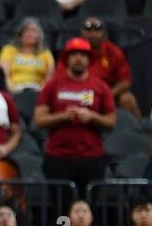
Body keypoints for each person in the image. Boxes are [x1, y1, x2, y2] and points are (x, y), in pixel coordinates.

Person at [34, 37, 116, 197]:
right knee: (61, 211)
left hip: (91, 158)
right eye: (74, 54)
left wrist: (93, 117)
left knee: (88, 209)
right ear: (66, 59)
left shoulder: (101, 86)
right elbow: (39, 120)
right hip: (58, 158)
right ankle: (63, 224)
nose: (78, 58)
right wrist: (64, 116)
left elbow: (111, 122)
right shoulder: (53, 85)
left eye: (83, 54)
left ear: (89, 59)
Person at [0, 17, 54, 92]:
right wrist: (13, 89)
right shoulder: (9, 50)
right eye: (26, 30)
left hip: (38, 90)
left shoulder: (45, 53)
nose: (30, 34)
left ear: (39, 35)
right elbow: (4, 75)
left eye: (34, 31)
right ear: (20, 34)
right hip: (14, 89)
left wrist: (41, 92)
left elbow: (49, 77)